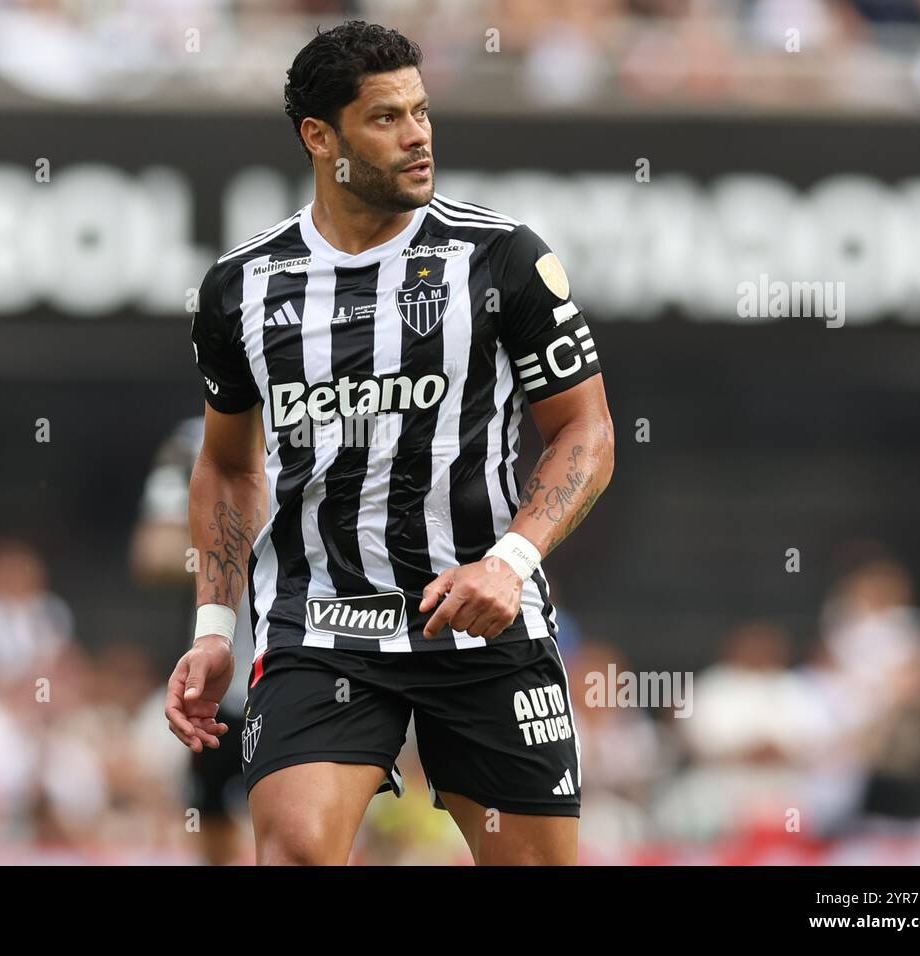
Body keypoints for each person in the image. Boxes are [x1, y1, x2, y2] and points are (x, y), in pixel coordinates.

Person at [165, 20, 614, 866]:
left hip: (483, 624)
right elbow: (227, 466)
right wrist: (217, 624)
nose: (417, 135)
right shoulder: (242, 286)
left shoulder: (502, 259)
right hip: (322, 623)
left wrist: (509, 561)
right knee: (296, 849)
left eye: (422, 111)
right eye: (386, 118)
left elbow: (585, 433)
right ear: (319, 137)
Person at [130, 415, 254, 866]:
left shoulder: (334, 414)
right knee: (213, 811)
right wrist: (236, 545)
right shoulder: (190, 442)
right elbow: (155, 554)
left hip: (321, 655)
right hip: (222, 677)